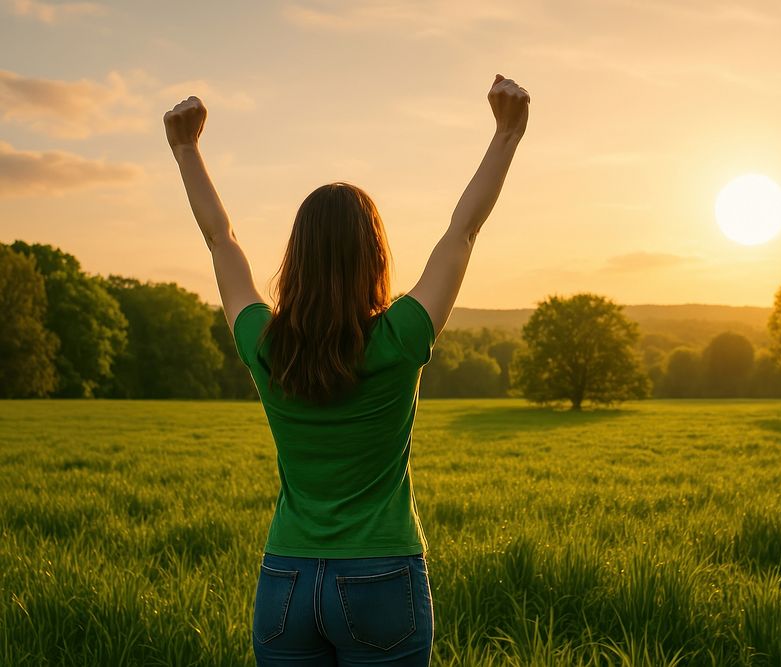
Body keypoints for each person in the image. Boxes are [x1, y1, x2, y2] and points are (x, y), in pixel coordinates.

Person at [163, 73, 530, 666]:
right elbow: (461, 232)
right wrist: (507, 134)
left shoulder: (265, 343)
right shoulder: (400, 337)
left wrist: (186, 150)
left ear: (296, 257)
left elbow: (220, 239)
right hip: (382, 573)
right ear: (375, 257)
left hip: (285, 580)